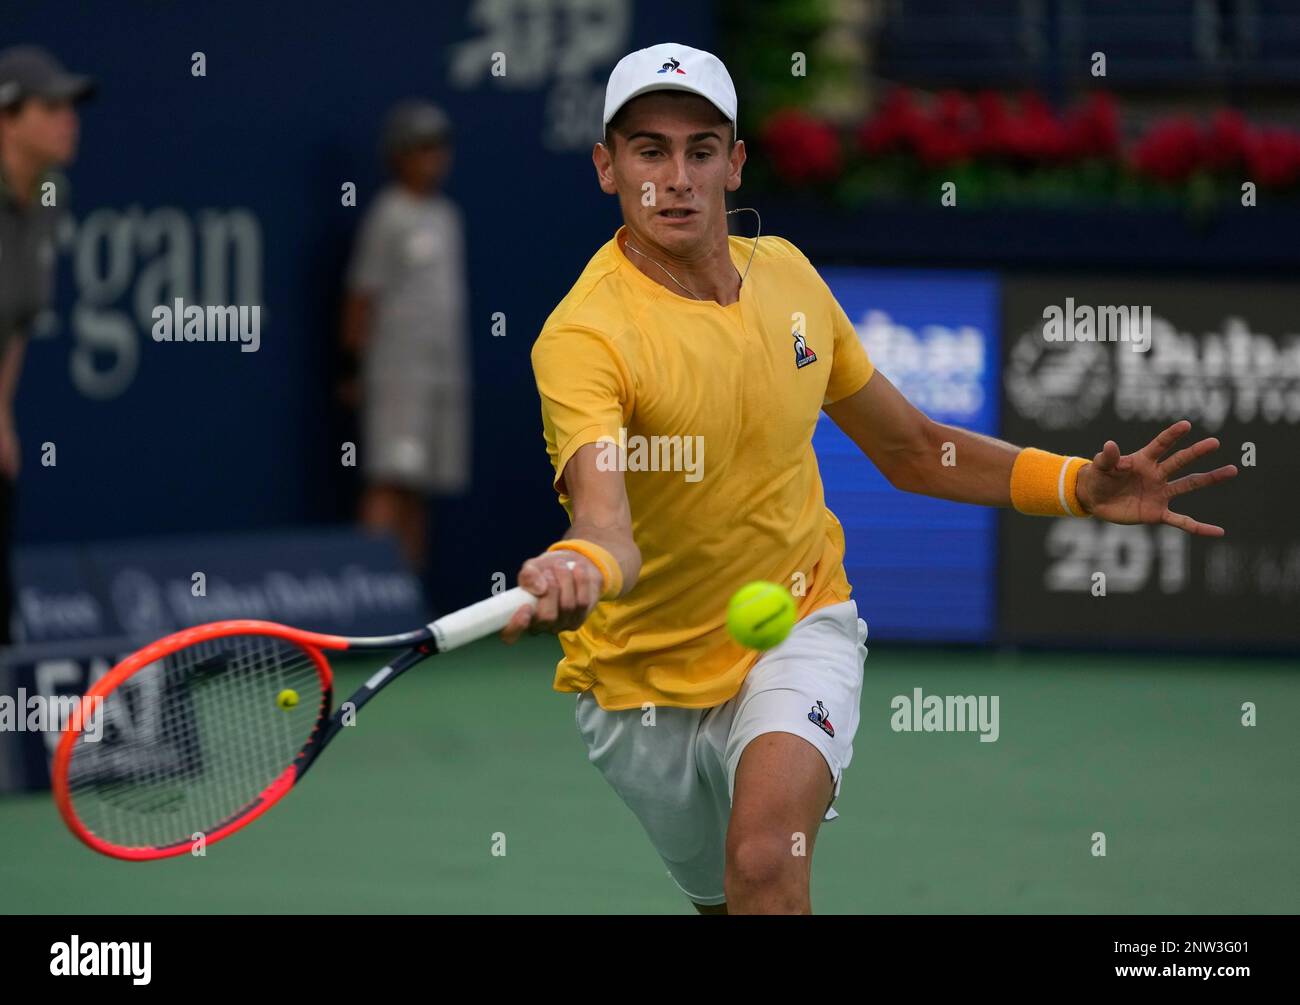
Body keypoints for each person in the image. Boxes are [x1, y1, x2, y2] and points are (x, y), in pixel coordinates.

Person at [504, 43, 1237, 914]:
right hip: (638, 688)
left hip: (795, 620)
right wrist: (580, 563)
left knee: (767, 860)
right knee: (727, 893)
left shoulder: (790, 280)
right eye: (649, 150)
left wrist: (1076, 483)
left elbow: (914, 450)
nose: (676, 177)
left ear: (735, 164)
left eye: (701, 149)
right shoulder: (584, 338)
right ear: (607, 167)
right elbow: (606, 521)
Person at [342, 99, 470, 575]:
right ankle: (368, 594)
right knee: (389, 480)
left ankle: (406, 598)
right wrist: (351, 366)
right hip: (397, 374)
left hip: (443, 376)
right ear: (398, 156)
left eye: (439, 148)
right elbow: (362, 294)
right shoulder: (387, 215)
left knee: (420, 488)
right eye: (421, 149)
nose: (433, 158)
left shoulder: (446, 216)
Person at [0, 46, 95, 644]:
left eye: (71, 106)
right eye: (51, 106)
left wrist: (1, 411)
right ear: (7, 118)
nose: (69, 119)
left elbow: (16, 322)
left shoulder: (49, 197)